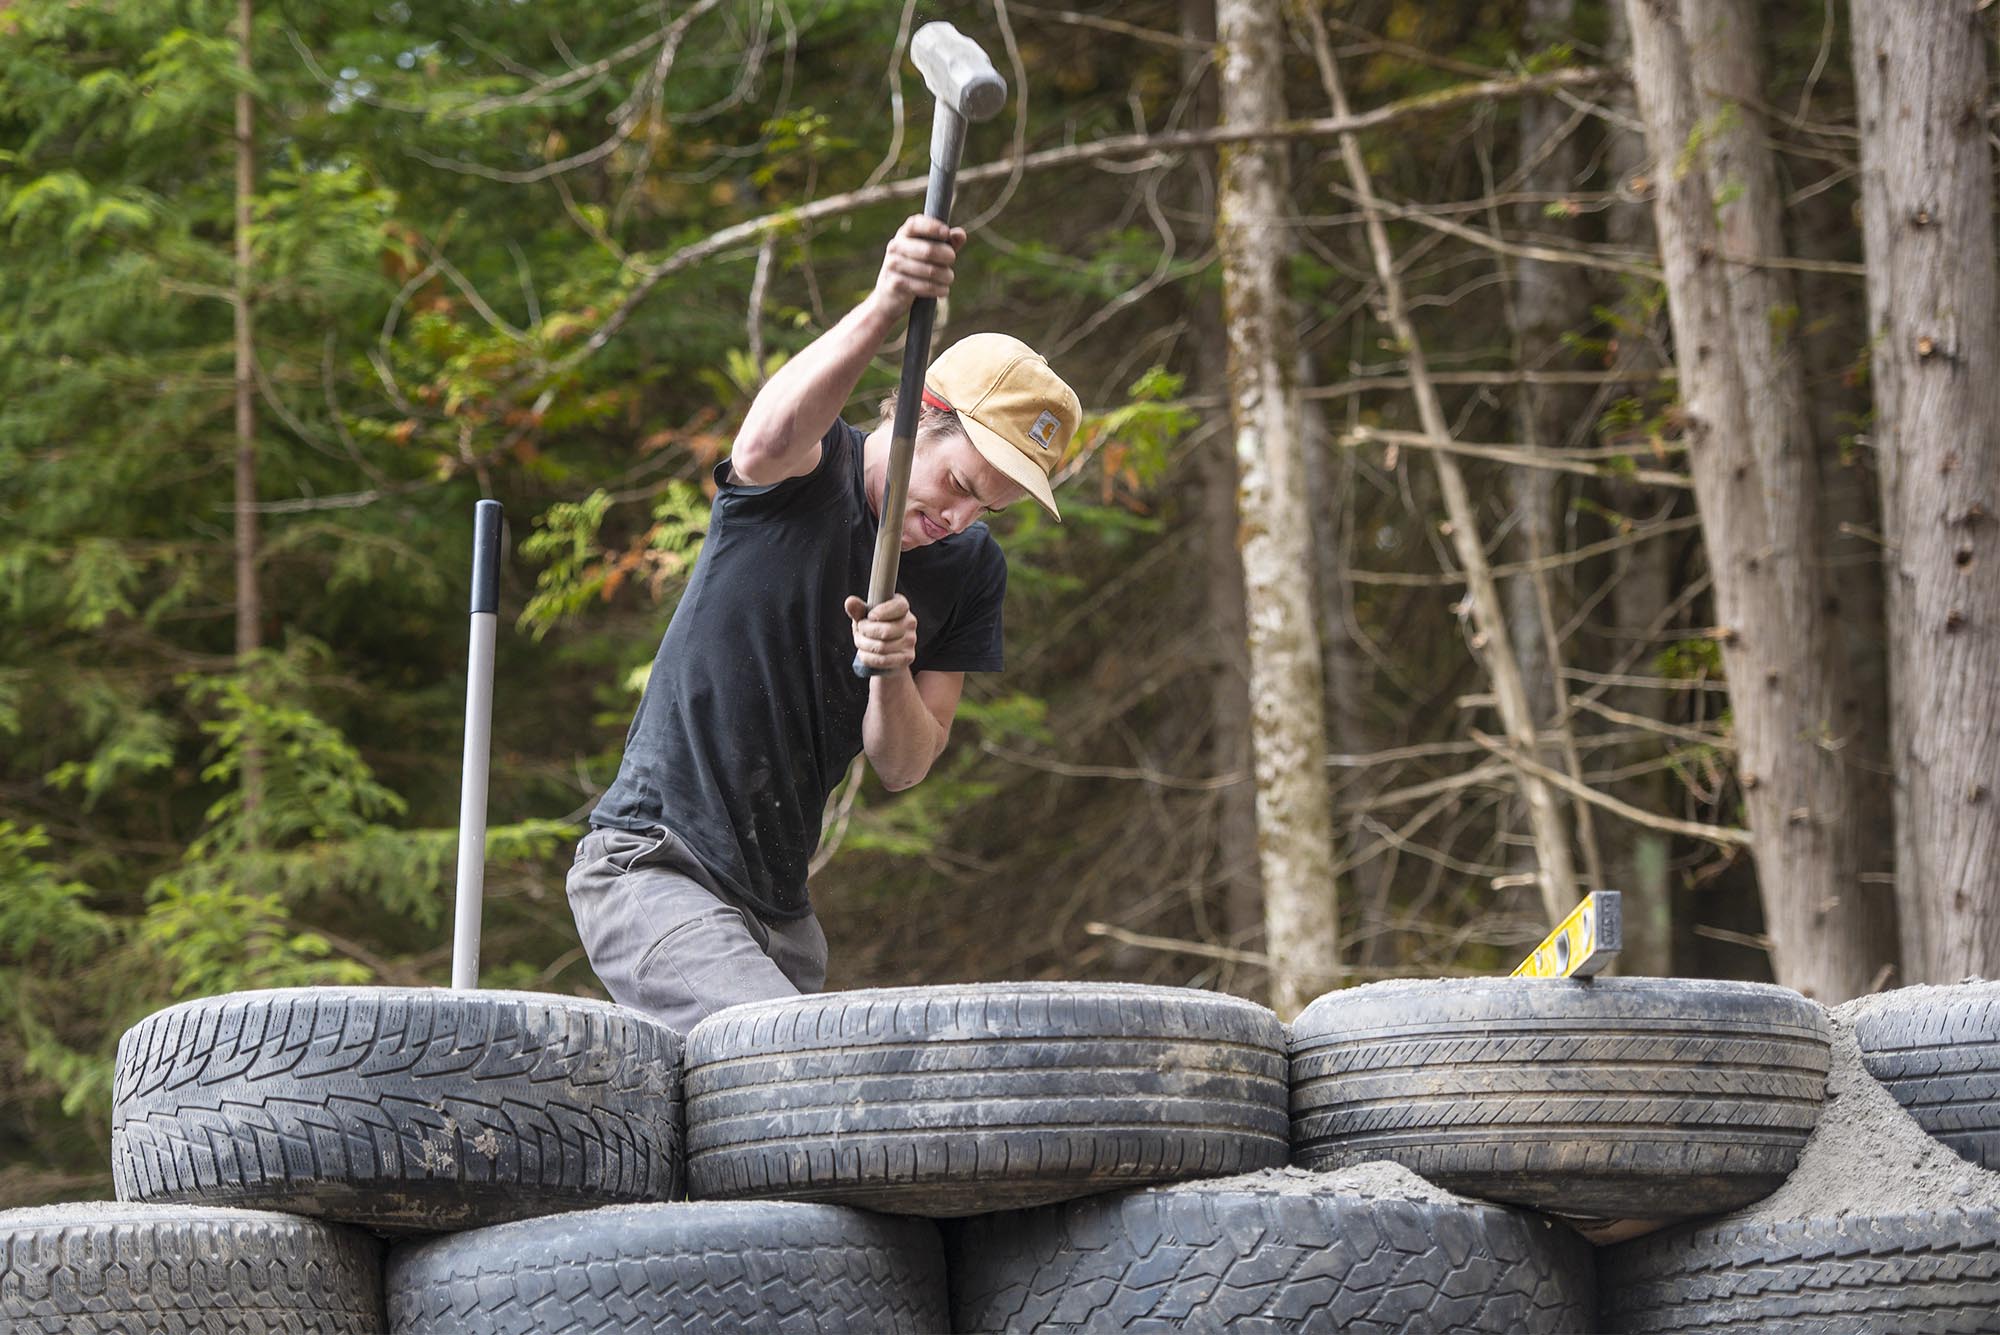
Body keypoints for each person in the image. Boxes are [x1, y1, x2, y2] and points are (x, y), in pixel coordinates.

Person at [565, 214, 1081, 1035]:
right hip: (655, 865)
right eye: (958, 483)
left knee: (794, 1104)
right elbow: (766, 437)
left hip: (781, 920)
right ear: (919, 413)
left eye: (989, 505)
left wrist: (891, 669)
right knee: (792, 1058)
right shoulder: (807, 473)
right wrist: (887, 302)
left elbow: (904, 764)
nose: (958, 516)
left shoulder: (970, 570)